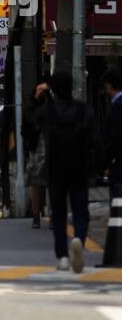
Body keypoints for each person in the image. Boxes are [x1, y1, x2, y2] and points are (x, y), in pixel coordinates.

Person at [44, 70, 102, 273]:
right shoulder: (83, 110)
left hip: (55, 168)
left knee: (58, 214)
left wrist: (35, 97)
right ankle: (78, 239)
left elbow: (29, 126)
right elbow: (95, 140)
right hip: (79, 167)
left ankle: (62, 257)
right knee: (80, 212)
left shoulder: (49, 111)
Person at [23, 81, 49, 229]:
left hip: (50, 147)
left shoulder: (52, 106)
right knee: (35, 183)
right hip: (35, 148)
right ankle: (36, 215)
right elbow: (27, 122)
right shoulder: (31, 108)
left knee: (51, 182)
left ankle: (53, 213)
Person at [104, 66, 122, 196]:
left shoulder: (117, 106)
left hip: (118, 161)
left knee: (117, 199)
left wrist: (108, 161)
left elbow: (114, 136)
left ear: (109, 85)